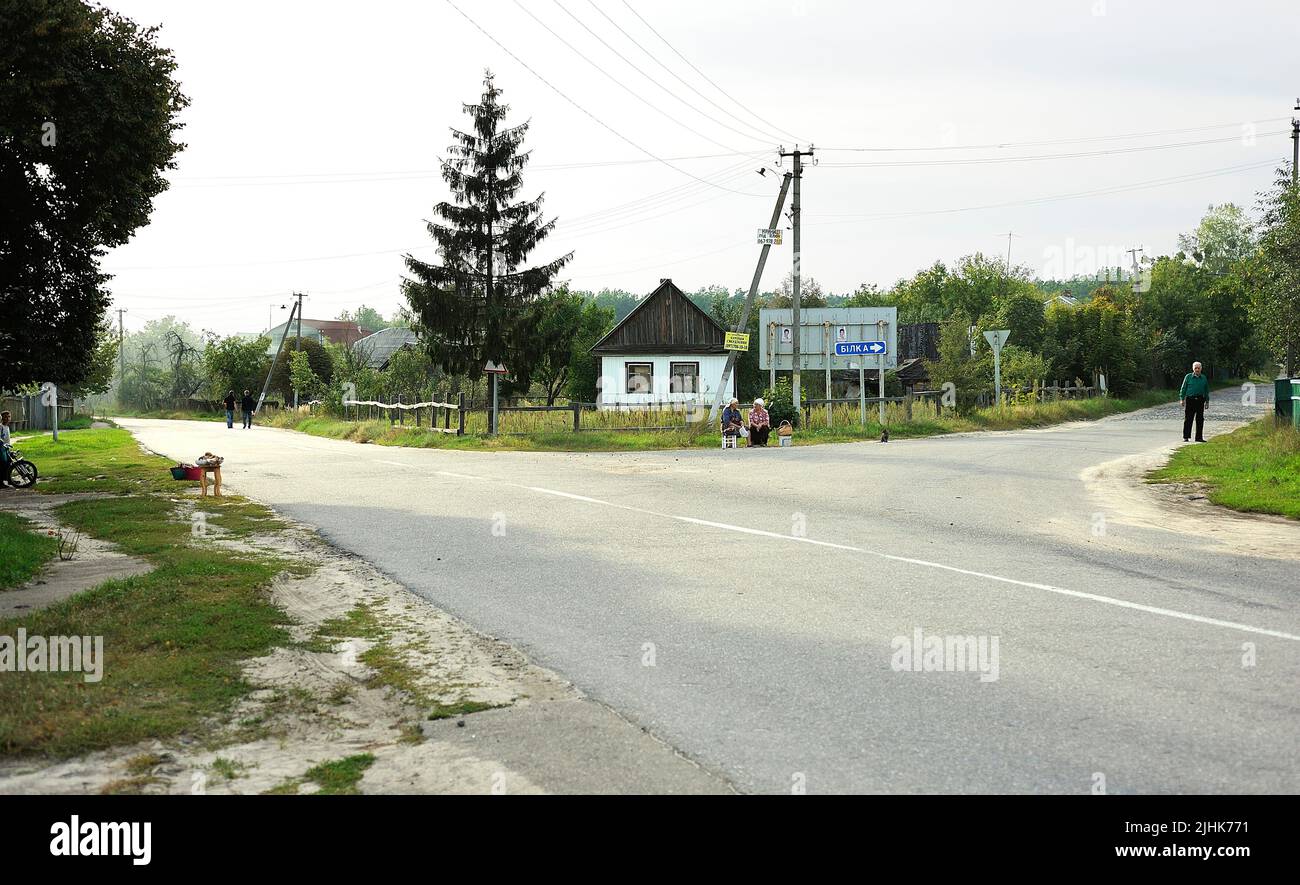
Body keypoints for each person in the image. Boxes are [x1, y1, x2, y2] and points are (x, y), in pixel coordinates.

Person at [1179, 361, 1209, 442]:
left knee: (1200, 419)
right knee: (1188, 418)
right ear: (1193, 369)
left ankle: (1199, 437)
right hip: (1190, 399)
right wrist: (1182, 399)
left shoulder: (1203, 378)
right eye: (1196, 368)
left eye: (1198, 368)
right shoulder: (1188, 377)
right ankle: (1186, 436)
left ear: (1201, 369)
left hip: (1200, 400)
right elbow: (1183, 388)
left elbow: (1206, 390)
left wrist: (1207, 401)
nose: (1197, 369)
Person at [0, 411, 12, 488]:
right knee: (3, 464)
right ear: (2, 418)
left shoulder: (7, 427)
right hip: (1, 449)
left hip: (6, 448)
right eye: (5, 417)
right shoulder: (1, 427)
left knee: (9, 463)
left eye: (9, 417)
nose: (7, 418)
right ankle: (1, 482)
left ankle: (9, 480)